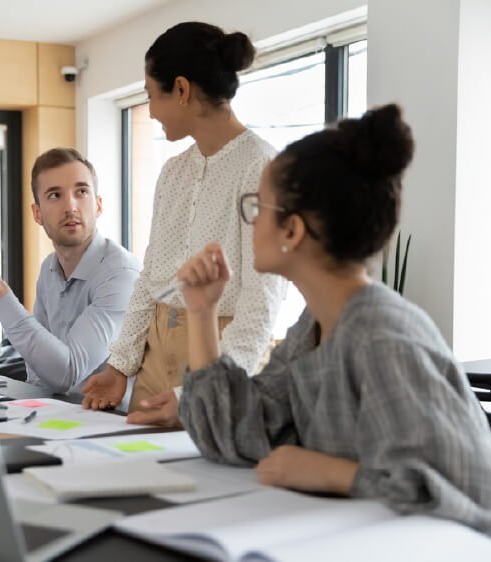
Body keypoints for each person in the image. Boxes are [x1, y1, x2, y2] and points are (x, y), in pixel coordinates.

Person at [174, 104, 491, 533]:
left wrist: (330, 472)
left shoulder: (382, 337)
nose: (252, 221)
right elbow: (237, 433)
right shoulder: (313, 327)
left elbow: (468, 500)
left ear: (292, 231)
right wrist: (201, 311)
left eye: (258, 207)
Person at [82, 22, 286, 415]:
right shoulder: (173, 171)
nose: (150, 111)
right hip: (155, 351)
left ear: (181, 89)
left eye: (150, 95)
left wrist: (204, 390)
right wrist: (120, 365)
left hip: (223, 354)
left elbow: (263, 300)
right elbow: (152, 277)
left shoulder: (261, 167)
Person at [0, 148, 141, 395]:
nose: (71, 206)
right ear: (37, 213)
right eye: (55, 195)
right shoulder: (50, 268)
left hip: (111, 416)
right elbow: (38, 374)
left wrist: (0, 297)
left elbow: (68, 372)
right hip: (63, 410)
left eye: (81, 192)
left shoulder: (121, 273)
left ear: (98, 205)